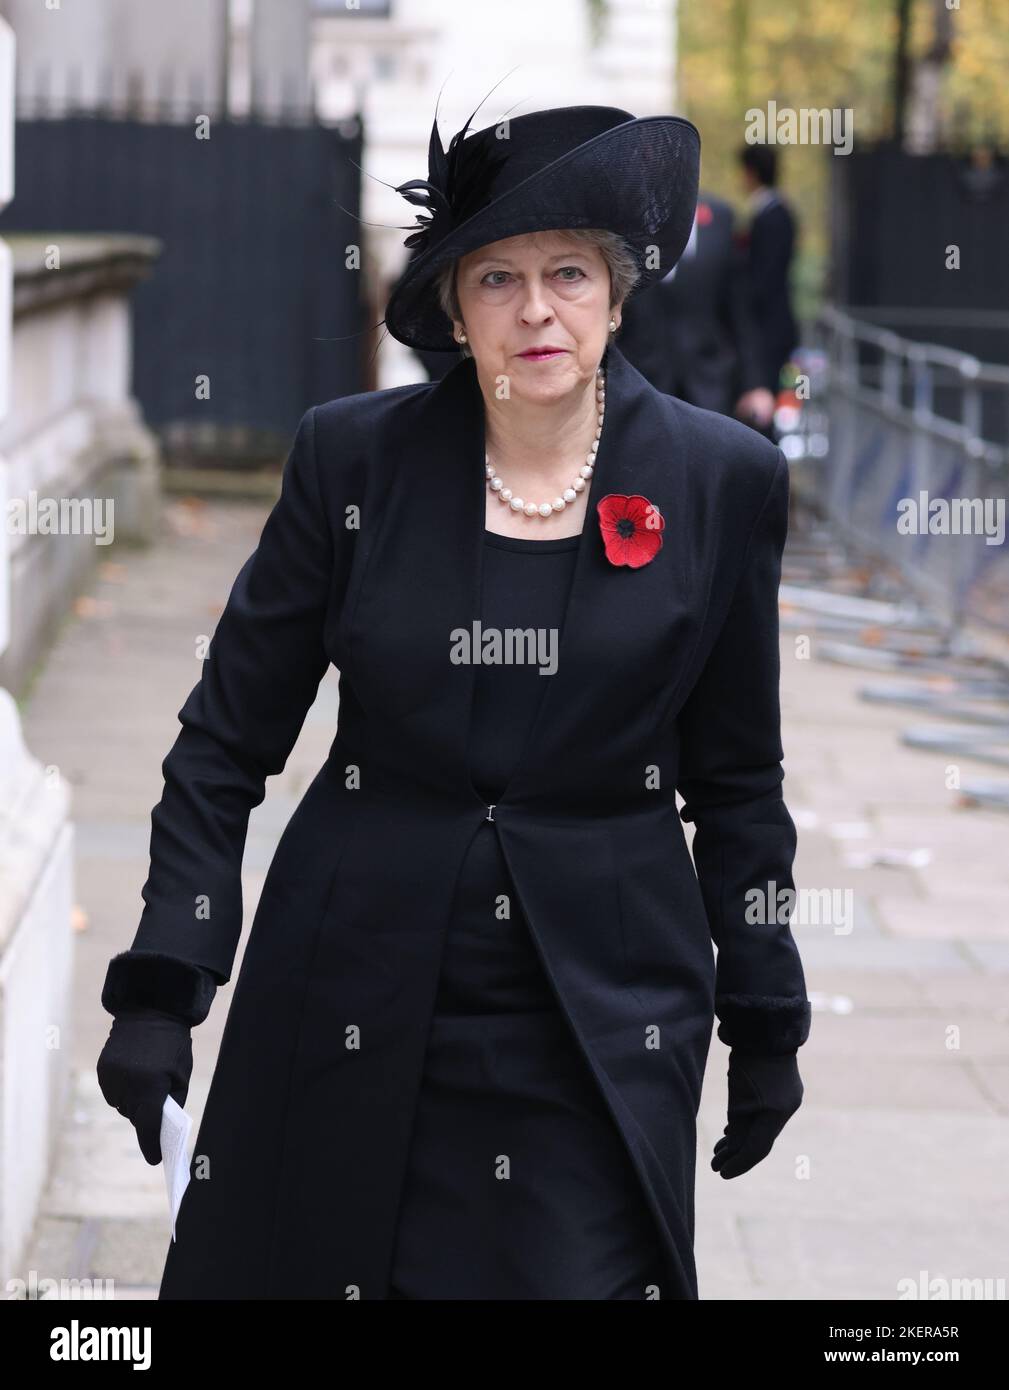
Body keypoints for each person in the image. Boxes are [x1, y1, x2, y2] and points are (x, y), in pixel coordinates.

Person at [96, 98, 810, 1301]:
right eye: (498, 279)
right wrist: (165, 980)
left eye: (569, 273)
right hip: (354, 993)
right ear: (455, 311)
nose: (537, 310)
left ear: (619, 294)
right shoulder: (350, 462)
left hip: (598, 1010)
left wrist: (767, 1008)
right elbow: (225, 744)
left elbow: (737, 781)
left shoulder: (719, 482)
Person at [617, 190, 774, 429]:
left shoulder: (721, 218)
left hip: (711, 382)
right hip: (639, 378)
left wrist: (755, 384)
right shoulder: (622, 215)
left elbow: (740, 309)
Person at [737, 142, 800, 415]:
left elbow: (765, 276)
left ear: (751, 173)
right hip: (772, 325)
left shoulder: (772, 217)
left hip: (768, 328)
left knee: (765, 406)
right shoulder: (773, 213)